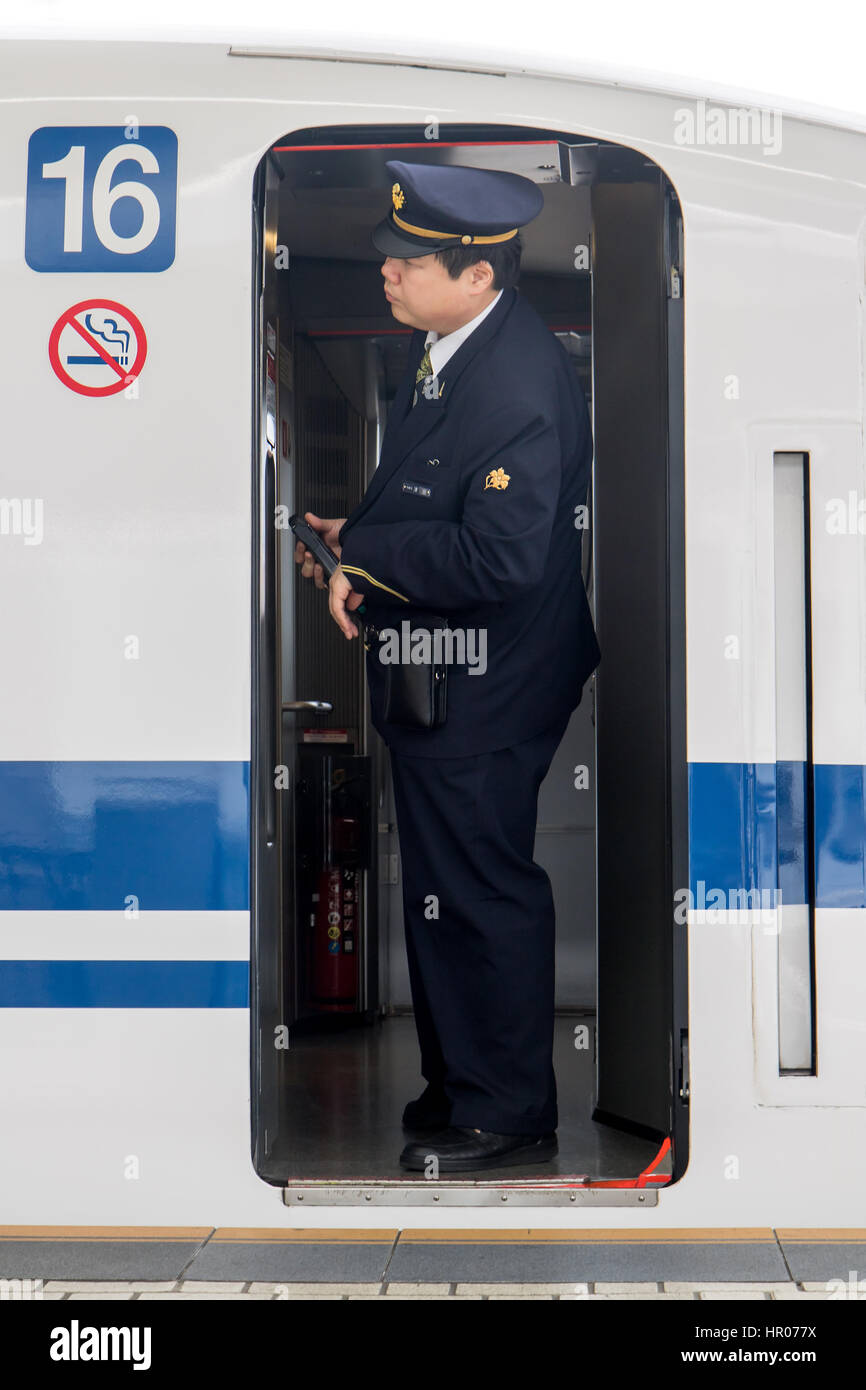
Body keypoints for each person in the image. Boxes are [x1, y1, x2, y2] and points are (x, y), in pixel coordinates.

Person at [294, 160, 600, 1173]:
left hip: (488, 681)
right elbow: (438, 512)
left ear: (477, 273)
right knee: (439, 885)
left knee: (478, 890)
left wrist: (371, 557)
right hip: (445, 677)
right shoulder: (450, 351)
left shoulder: (513, 382)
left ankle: (506, 1112)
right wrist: (356, 540)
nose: (385, 276)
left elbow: (501, 559)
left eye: (407, 262)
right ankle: (456, 1081)